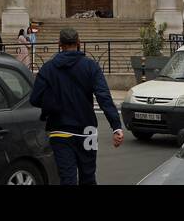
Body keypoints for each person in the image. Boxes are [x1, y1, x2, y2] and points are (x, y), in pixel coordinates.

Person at [30, 28, 123, 185]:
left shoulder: (48, 68)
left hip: (59, 131)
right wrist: (116, 127)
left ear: (60, 44)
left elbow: (35, 99)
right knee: (88, 177)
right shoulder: (91, 66)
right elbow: (104, 97)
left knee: (67, 179)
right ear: (79, 43)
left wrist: (53, 103)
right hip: (87, 131)